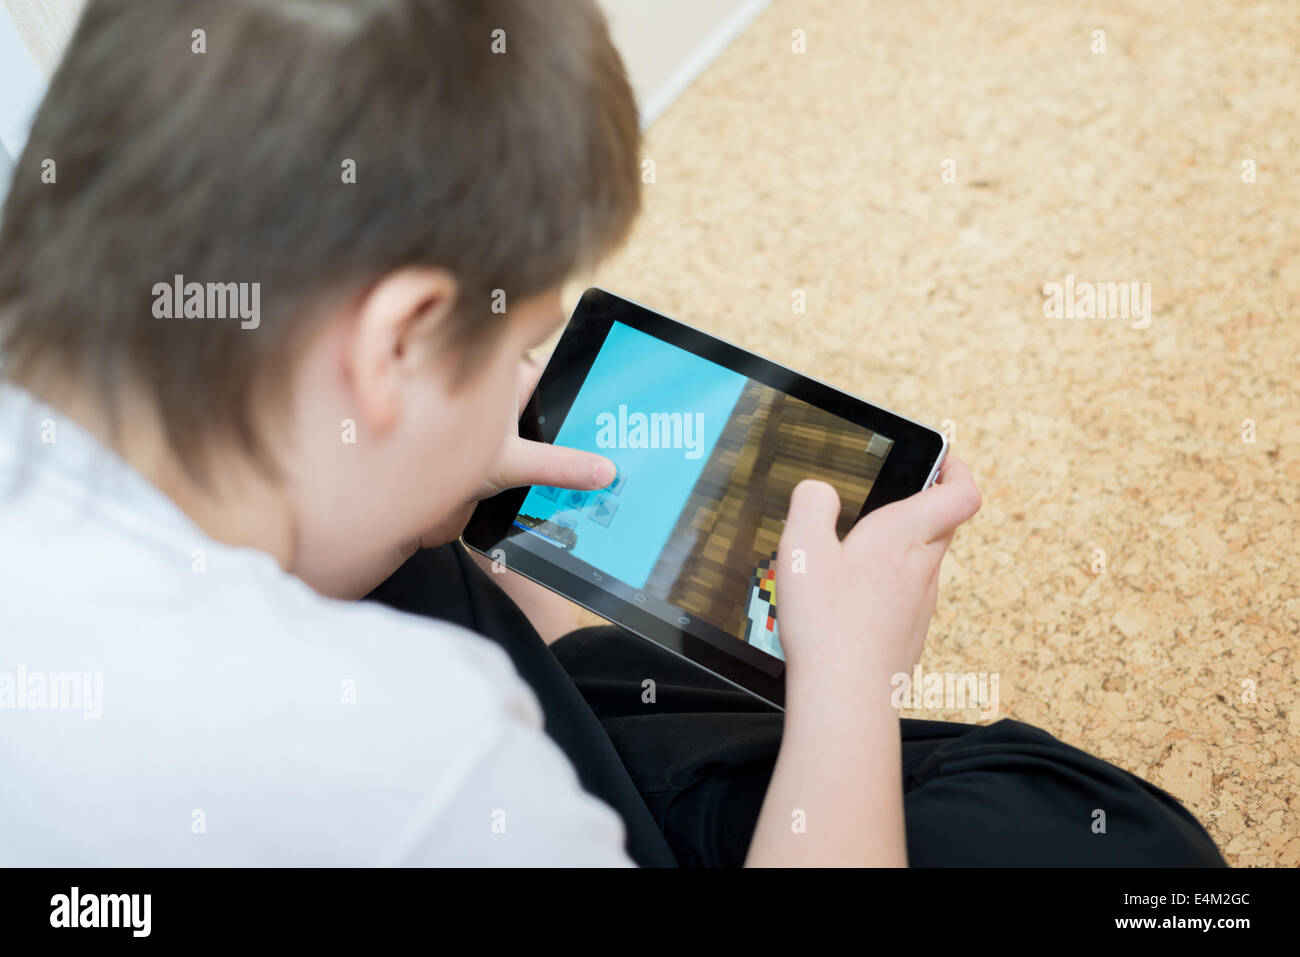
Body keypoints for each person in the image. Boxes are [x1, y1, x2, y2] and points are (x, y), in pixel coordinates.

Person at [0, 0, 1224, 867]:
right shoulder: (402, 748)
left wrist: (409, 499)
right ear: (395, 344)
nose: (531, 383)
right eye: (521, 345)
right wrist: (849, 685)